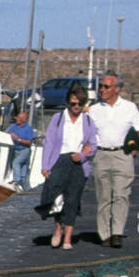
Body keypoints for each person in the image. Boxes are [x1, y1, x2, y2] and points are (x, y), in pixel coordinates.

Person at [88, 71, 139, 248]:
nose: (102, 90)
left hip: (122, 155)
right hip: (101, 155)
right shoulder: (94, 110)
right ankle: (104, 233)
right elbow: (86, 134)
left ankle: (117, 232)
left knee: (121, 194)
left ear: (117, 89)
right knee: (104, 196)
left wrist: (134, 150)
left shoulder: (129, 107)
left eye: (106, 86)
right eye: (101, 86)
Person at [35, 84, 96, 249]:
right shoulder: (58, 118)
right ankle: (57, 229)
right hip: (59, 161)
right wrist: (45, 165)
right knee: (56, 198)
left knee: (73, 200)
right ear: (68, 103)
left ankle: (68, 238)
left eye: (80, 104)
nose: (76, 107)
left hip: (78, 164)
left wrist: (82, 156)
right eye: (73, 103)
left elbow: (93, 145)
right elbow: (49, 143)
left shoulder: (88, 121)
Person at [5, 109, 35, 190]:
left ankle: (16, 181)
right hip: (15, 150)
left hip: (24, 150)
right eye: (17, 117)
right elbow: (6, 134)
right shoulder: (13, 126)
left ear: (24, 120)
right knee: (23, 171)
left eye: (19, 118)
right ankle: (26, 188)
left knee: (16, 163)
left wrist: (18, 139)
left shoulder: (28, 128)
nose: (17, 119)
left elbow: (29, 142)